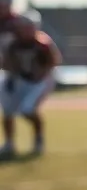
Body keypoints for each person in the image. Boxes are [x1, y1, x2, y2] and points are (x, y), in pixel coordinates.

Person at [1, 12, 60, 158]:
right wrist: (11, 75)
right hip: (21, 78)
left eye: (28, 27)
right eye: (23, 27)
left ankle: (38, 139)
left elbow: (53, 61)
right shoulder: (13, 44)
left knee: (27, 110)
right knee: (7, 109)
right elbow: (8, 63)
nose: (25, 30)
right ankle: (9, 143)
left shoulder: (42, 43)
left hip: (40, 80)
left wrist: (39, 74)